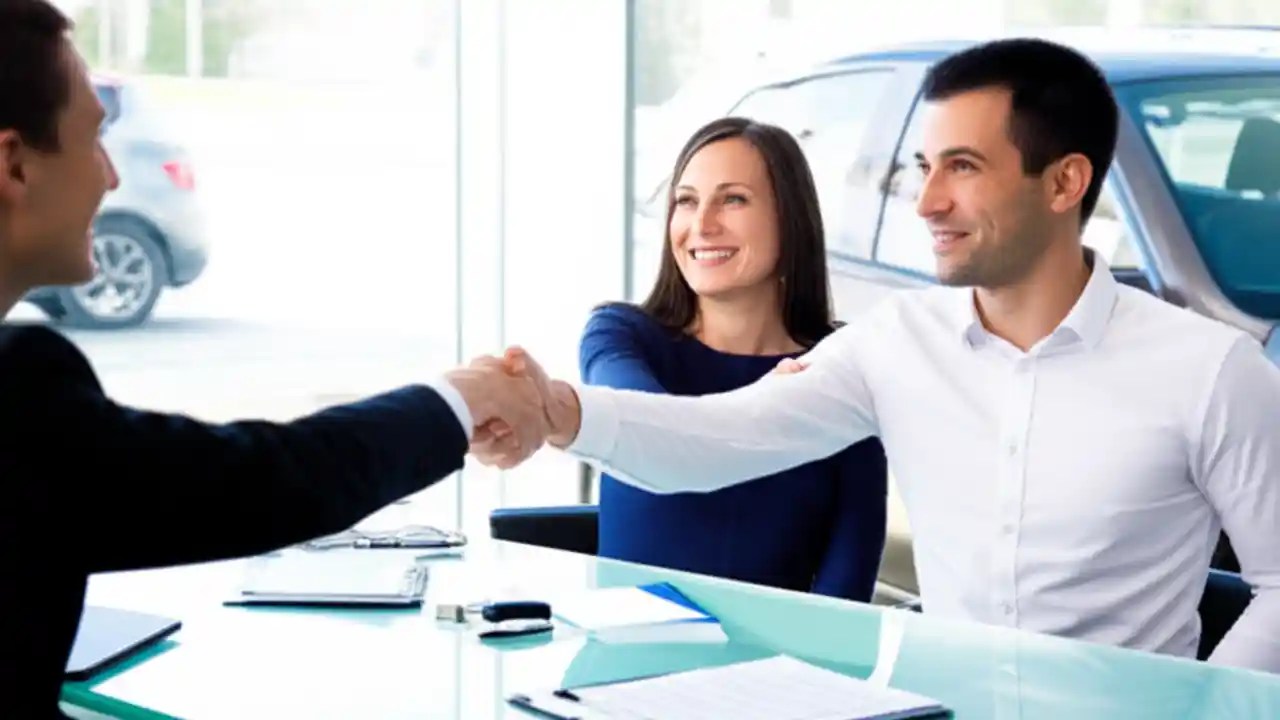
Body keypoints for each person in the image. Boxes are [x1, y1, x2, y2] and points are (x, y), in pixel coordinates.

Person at [475, 38, 1280, 672]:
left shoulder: (1211, 370)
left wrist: (1204, 706)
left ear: (1065, 183)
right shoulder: (894, 343)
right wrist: (556, 411)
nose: (926, 202)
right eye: (925, 169)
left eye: (962, 168)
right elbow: (718, 440)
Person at [0, 3, 542, 716]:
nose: (110, 177)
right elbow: (257, 481)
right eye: (93, 139)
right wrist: (459, 402)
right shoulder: (21, 384)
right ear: (14, 163)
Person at [583, 117, 886, 600]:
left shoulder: (842, 365)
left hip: (779, 649)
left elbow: (849, 583)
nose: (702, 225)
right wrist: (769, 401)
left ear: (790, 219)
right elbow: (653, 432)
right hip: (627, 644)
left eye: (733, 199)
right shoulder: (621, 334)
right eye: (686, 201)